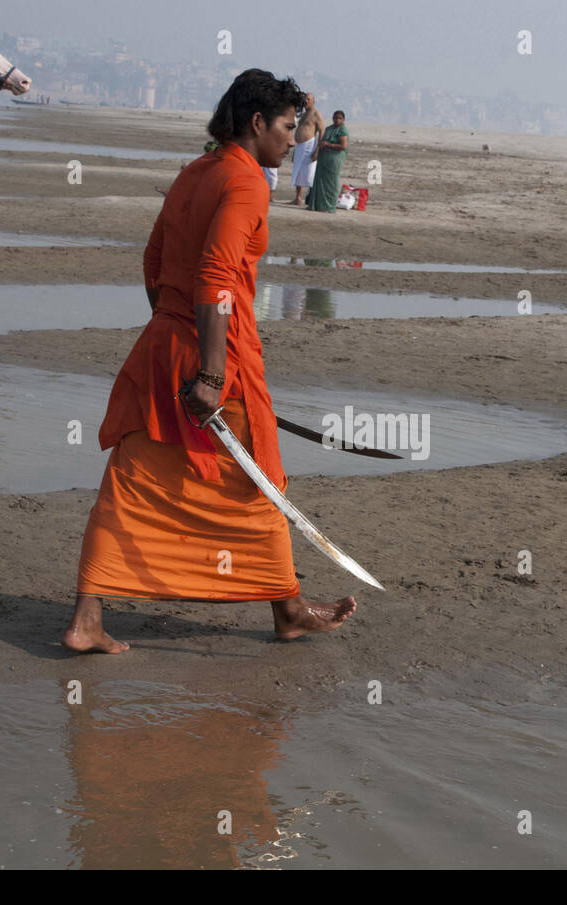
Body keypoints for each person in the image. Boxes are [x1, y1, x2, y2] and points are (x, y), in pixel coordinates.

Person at [63, 68, 356, 654]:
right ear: (256, 123)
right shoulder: (246, 182)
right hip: (215, 355)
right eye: (286, 125)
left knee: (132, 478)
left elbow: (154, 260)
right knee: (260, 478)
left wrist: (172, 328)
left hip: (168, 345)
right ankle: (290, 610)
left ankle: (87, 620)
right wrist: (212, 369)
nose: (293, 136)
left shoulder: (195, 172)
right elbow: (218, 275)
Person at [306, 110, 350, 213]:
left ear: (343, 120)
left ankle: (329, 206)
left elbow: (343, 146)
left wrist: (329, 145)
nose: (337, 120)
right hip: (323, 158)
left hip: (334, 160)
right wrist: (318, 148)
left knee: (331, 183)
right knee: (320, 181)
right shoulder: (329, 129)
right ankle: (318, 205)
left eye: (340, 118)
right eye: (335, 118)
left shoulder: (343, 131)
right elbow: (321, 141)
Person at [289, 93, 322, 206]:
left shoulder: (316, 115)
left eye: (308, 99)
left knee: (309, 173)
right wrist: (294, 151)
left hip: (310, 146)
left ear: (313, 101)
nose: (306, 101)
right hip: (299, 146)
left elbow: (322, 132)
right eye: (305, 99)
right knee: (297, 171)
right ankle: (298, 198)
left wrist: (317, 150)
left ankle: (311, 198)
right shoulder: (303, 115)